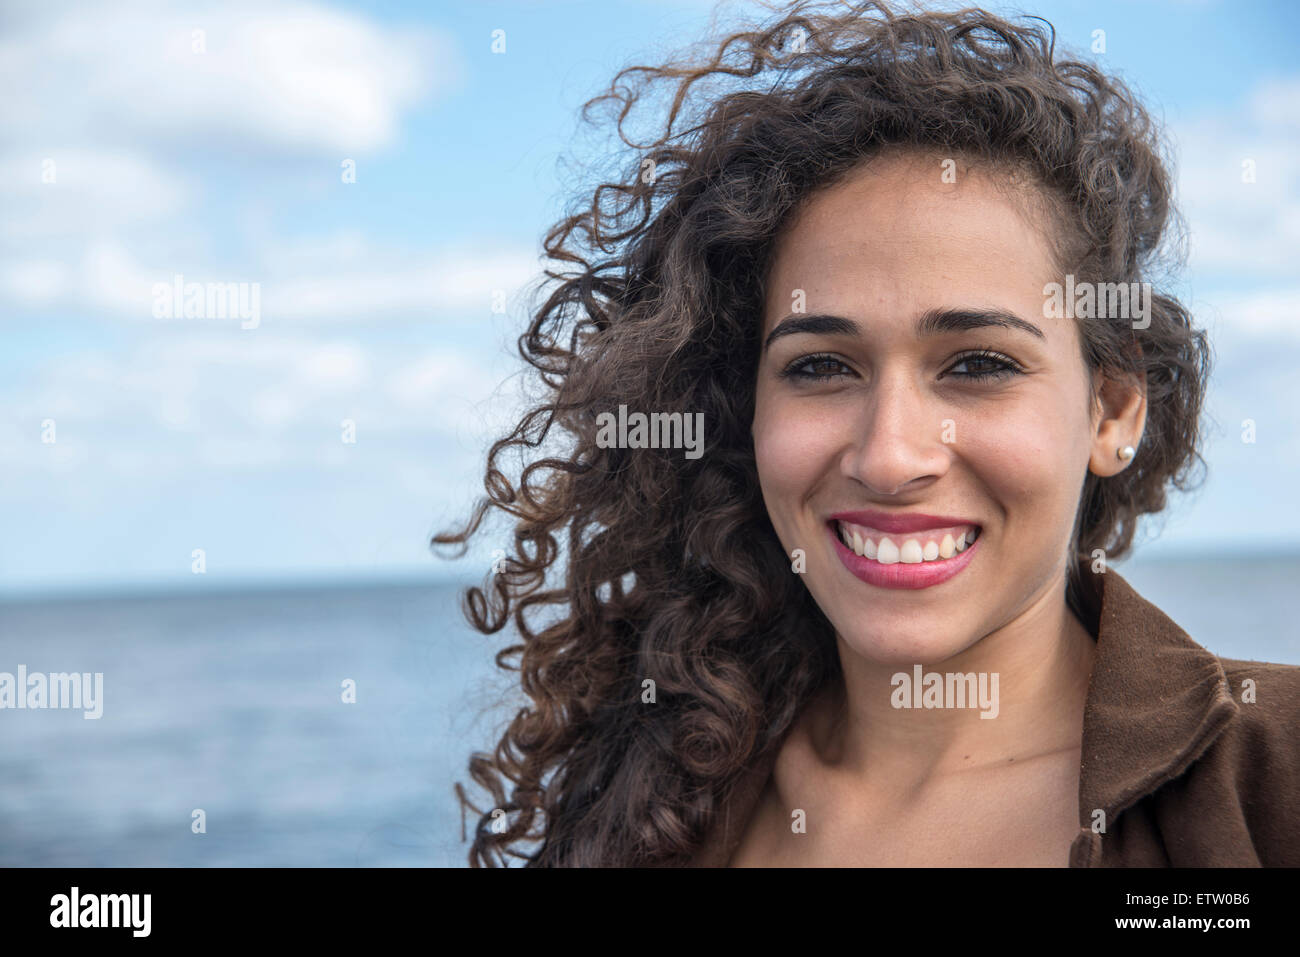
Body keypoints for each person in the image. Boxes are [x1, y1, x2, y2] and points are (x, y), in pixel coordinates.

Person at [435, 0, 1300, 866]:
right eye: (820, 367)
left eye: (979, 364)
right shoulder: (640, 794)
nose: (889, 456)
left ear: (1111, 412)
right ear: (748, 412)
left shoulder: (1274, 778)